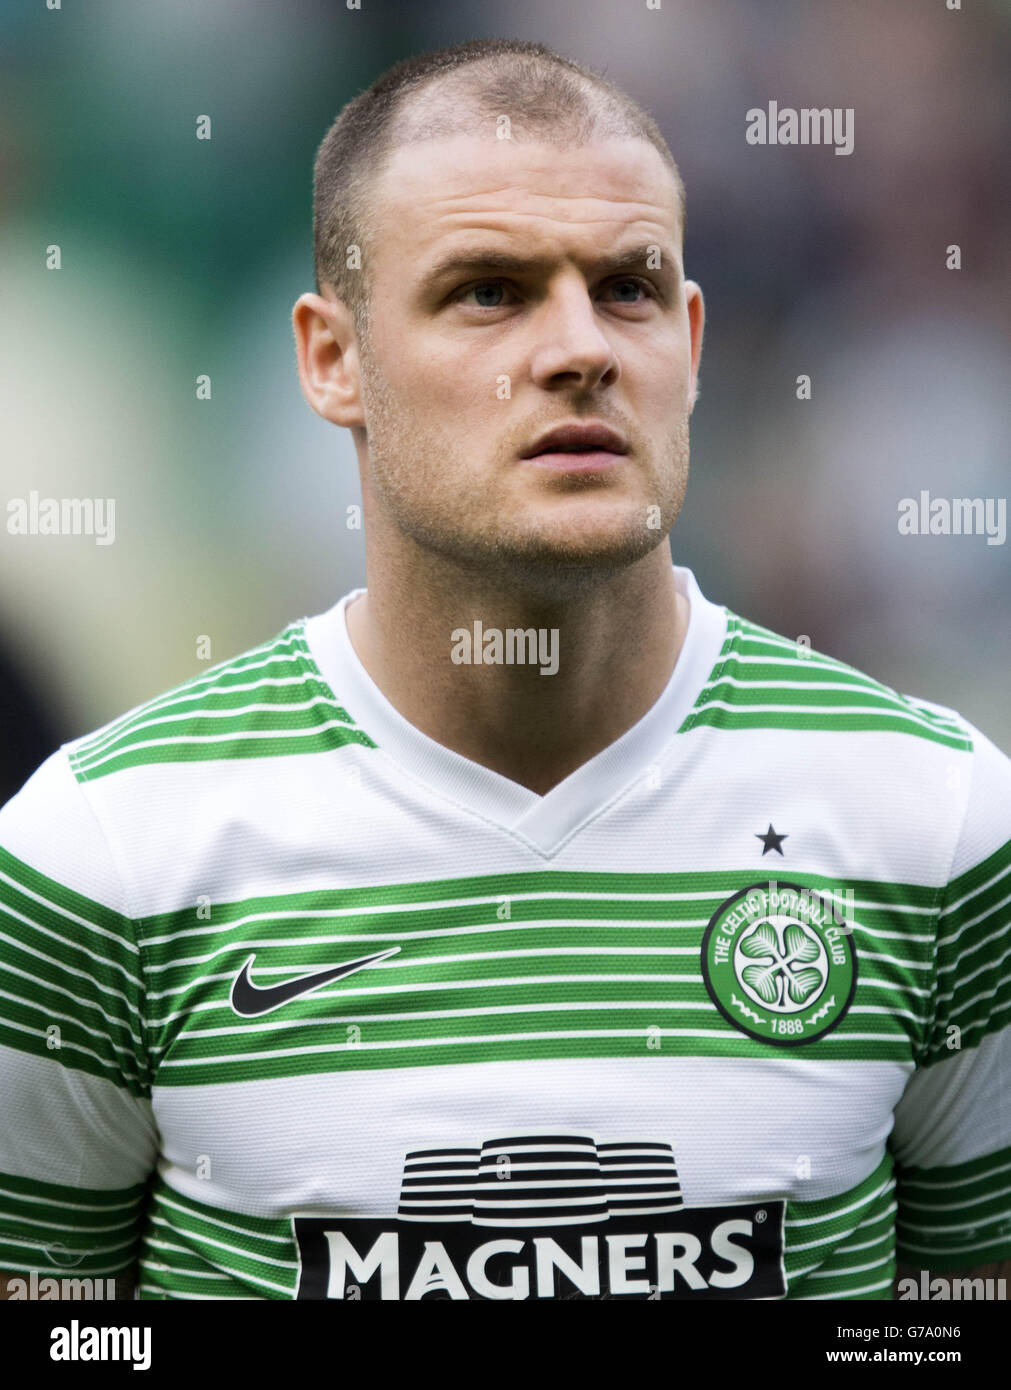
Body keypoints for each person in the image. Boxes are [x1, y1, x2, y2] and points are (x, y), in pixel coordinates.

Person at [1, 38, 1008, 1303]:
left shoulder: (939, 821)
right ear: (332, 358)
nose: (581, 346)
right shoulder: (102, 853)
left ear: (691, 345)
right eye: (489, 290)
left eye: (630, 288)